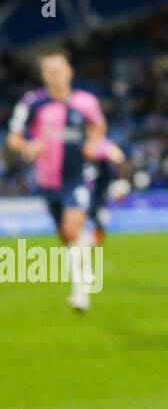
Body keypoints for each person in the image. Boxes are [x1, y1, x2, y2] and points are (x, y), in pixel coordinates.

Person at [6, 50, 107, 311]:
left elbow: (98, 126)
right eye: (48, 70)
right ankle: (89, 246)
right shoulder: (32, 103)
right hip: (48, 180)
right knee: (66, 236)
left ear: (69, 72)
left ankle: (80, 293)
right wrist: (27, 146)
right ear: (43, 75)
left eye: (58, 69)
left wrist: (94, 144)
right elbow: (13, 137)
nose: (54, 75)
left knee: (71, 229)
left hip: (79, 176)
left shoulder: (85, 102)